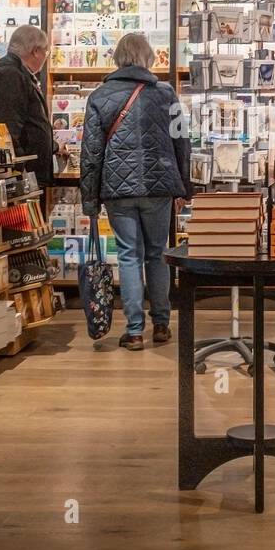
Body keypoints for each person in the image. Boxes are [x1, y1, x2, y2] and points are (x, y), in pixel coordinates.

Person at [80, 33, 190, 351]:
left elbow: (91, 153)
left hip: (117, 190)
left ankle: (135, 330)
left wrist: (89, 199)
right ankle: (161, 324)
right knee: (158, 254)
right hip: (159, 187)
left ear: (117, 58)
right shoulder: (167, 94)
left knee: (129, 256)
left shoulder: (99, 97)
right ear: (148, 58)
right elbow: (182, 141)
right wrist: (184, 186)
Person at [0, 25, 55, 186]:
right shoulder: (11, 76)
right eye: (46, 52)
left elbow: (28, 123)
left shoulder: (13, 73)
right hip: (20, 175)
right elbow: (7, 128)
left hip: (23, 169)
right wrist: (18, 172)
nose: (45, 57)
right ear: (35, 51)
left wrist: (52, 146)